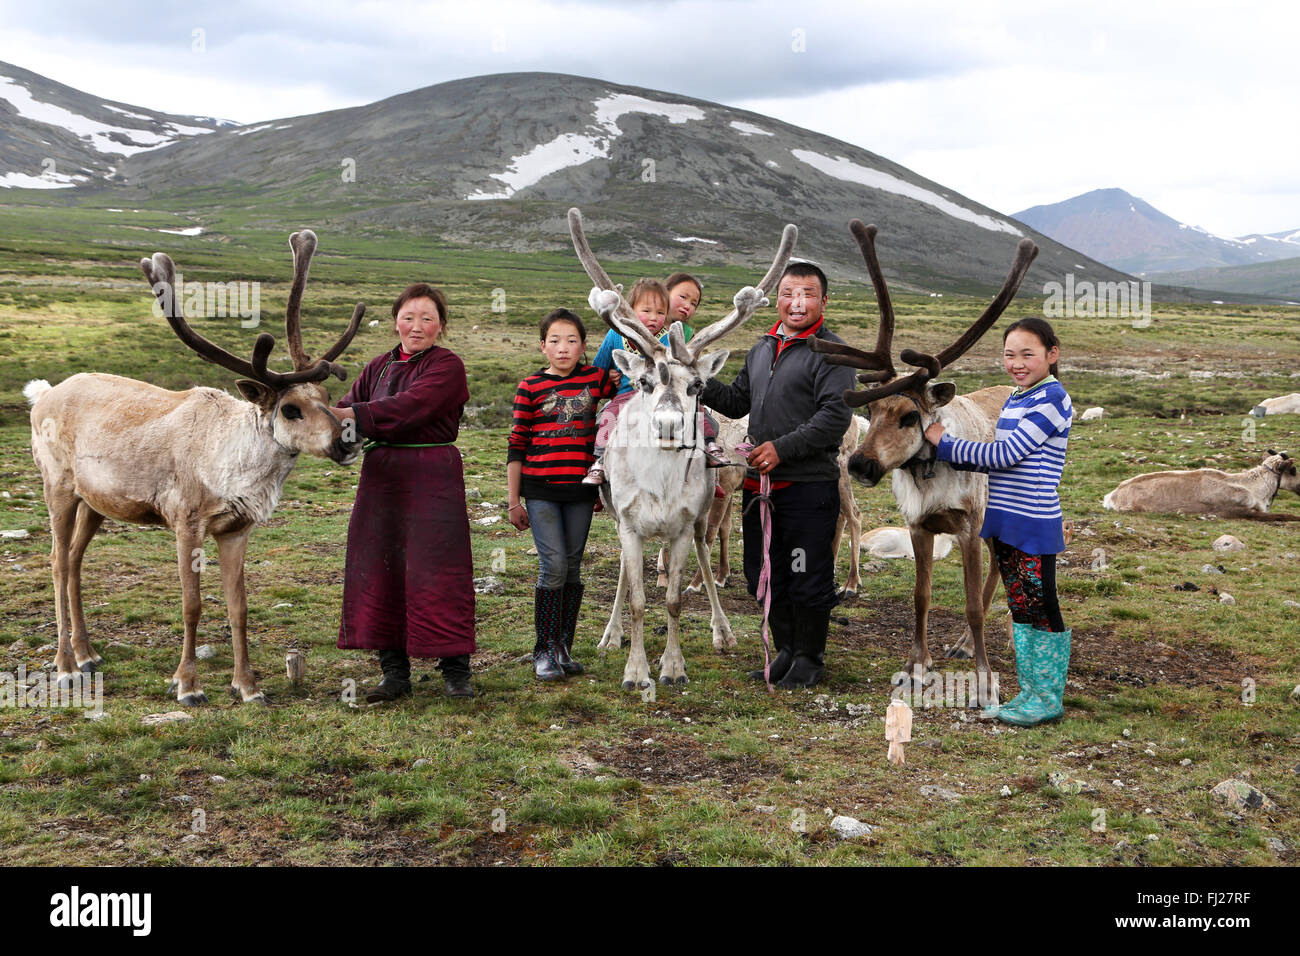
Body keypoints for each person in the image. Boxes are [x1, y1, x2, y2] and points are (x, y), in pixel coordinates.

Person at [701, 260, 856, 688]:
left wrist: (782, 449)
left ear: (823, 301)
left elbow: (834, 416)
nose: (797, 302)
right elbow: (736, 401)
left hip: (806, 488)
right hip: (759, 488)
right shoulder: (762, 347)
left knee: (806, 571)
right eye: (789, 293)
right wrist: (698, 380)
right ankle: (786, 648)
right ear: (778, 299)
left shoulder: (833, 354)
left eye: (807, 294)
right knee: (762, 570)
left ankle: (810, 657)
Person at [924, 317, 1073, 726]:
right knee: (1021, 605)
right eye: (1010, 355)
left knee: (1041, 605)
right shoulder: (1020, 398)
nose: (1017, 363)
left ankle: (1046, 698)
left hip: (1033, 520)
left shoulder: (1052, 399)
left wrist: (943, 443)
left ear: (1051, 354)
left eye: (1028, 354)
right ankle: (1031, 692)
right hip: (1006, 517)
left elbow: (1005, 455)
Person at [333, 283, 477, 701]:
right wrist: (324, 426)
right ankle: (394, 675)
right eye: (409, 317)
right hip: (382, 479)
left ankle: (456, 672)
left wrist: (349, 415)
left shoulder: (448, 366)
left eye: (427, 318)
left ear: (441, 327)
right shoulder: (377, 366)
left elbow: (412, 406)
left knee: (440, 569)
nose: (417, 326)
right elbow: (347, 412)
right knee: (382, 568)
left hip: (433, 476)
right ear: (396, 320)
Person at [507, 309, 618, 681]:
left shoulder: (597, 378)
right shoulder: (531, 386)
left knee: (572, 566)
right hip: (541, 490)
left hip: (581, 490)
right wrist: (512, 500)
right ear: (542, 346)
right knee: (552, 565)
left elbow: (632, 387)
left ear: (584, 346)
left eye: (572, 340)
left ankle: (562, 648)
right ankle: (543, 650)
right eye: (554, 340)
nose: (563, 347)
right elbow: (517, 444)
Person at [583, 278, 727, 485]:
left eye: (660, 313)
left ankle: (710, 447)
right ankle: (601, 460)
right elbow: (597, 371)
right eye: (646, 311)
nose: (654, 318)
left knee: (698, 413)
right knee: (608, 415)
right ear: (630, 310)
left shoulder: (670, 339)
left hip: (665, 395)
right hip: (626, 398)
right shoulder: (615, 335)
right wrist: (607, 378)